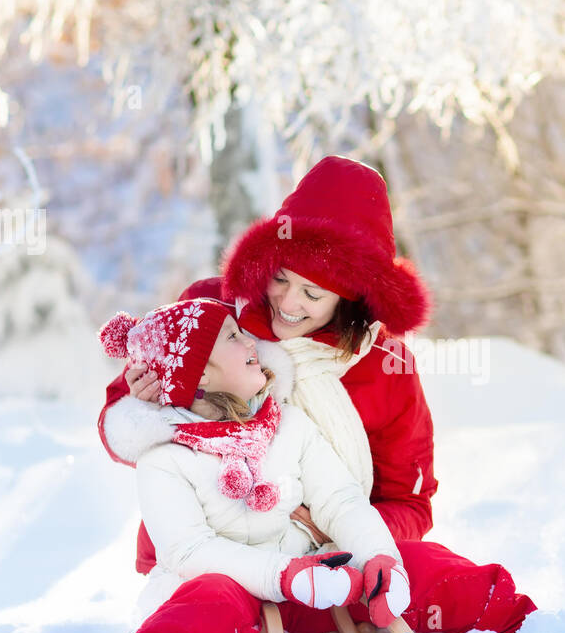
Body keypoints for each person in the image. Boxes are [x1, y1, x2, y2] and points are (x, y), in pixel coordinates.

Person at [98, 298, 536, 633]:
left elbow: (340, 500)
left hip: (320, 585)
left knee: (427, 563)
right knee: (205, 605)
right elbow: (189, 550)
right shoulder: (165, 459)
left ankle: (530, 631)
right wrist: (282, 576)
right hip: (239, 594)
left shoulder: (288, 424)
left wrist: (379, 558)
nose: (251, 340)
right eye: (232, 336)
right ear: (201, 375)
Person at [98, 156, 437, 576]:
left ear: (351, 300)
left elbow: (411, 503)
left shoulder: (387, 367)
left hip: (329, 567)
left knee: (440, 569)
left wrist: (338, 529)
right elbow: (122, 430)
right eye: (280, 278)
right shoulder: (210, 312)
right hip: (203, 563)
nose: (289, 303)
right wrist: (142, 403)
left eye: (312, 294)